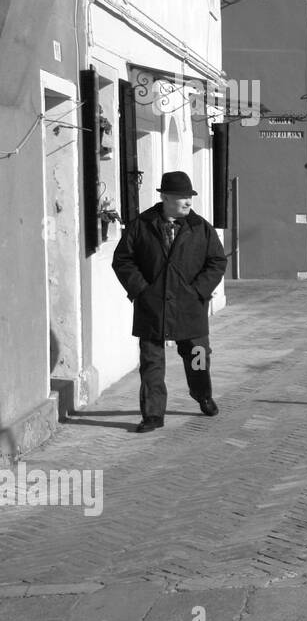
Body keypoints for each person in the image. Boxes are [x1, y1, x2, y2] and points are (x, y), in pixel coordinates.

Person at [112, 171, 228, 433]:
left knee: (198, 357)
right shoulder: (141, 225)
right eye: (182, 198)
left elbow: (217, 261)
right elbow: (122, 260)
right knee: (152, 362)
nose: (188, 202)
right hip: (152, 307)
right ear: (165, 197)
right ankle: (153, 415)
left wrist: (199, 291)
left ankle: (203, 395)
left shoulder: (201, 228)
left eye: (190, 197)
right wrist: (141, 290)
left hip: (190, 308)